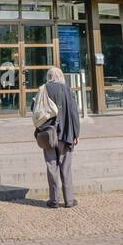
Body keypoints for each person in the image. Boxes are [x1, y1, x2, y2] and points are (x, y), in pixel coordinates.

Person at [39, 66, 80, 208]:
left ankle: (54, 200)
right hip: (65, 134)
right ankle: (69, 200)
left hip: (48, 134)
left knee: (51, 167)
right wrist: (76, 133)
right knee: (66, 167)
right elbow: (74, 113)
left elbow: (35, 108)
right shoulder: (67, 90)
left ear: (49, 76)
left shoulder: (43, 89)